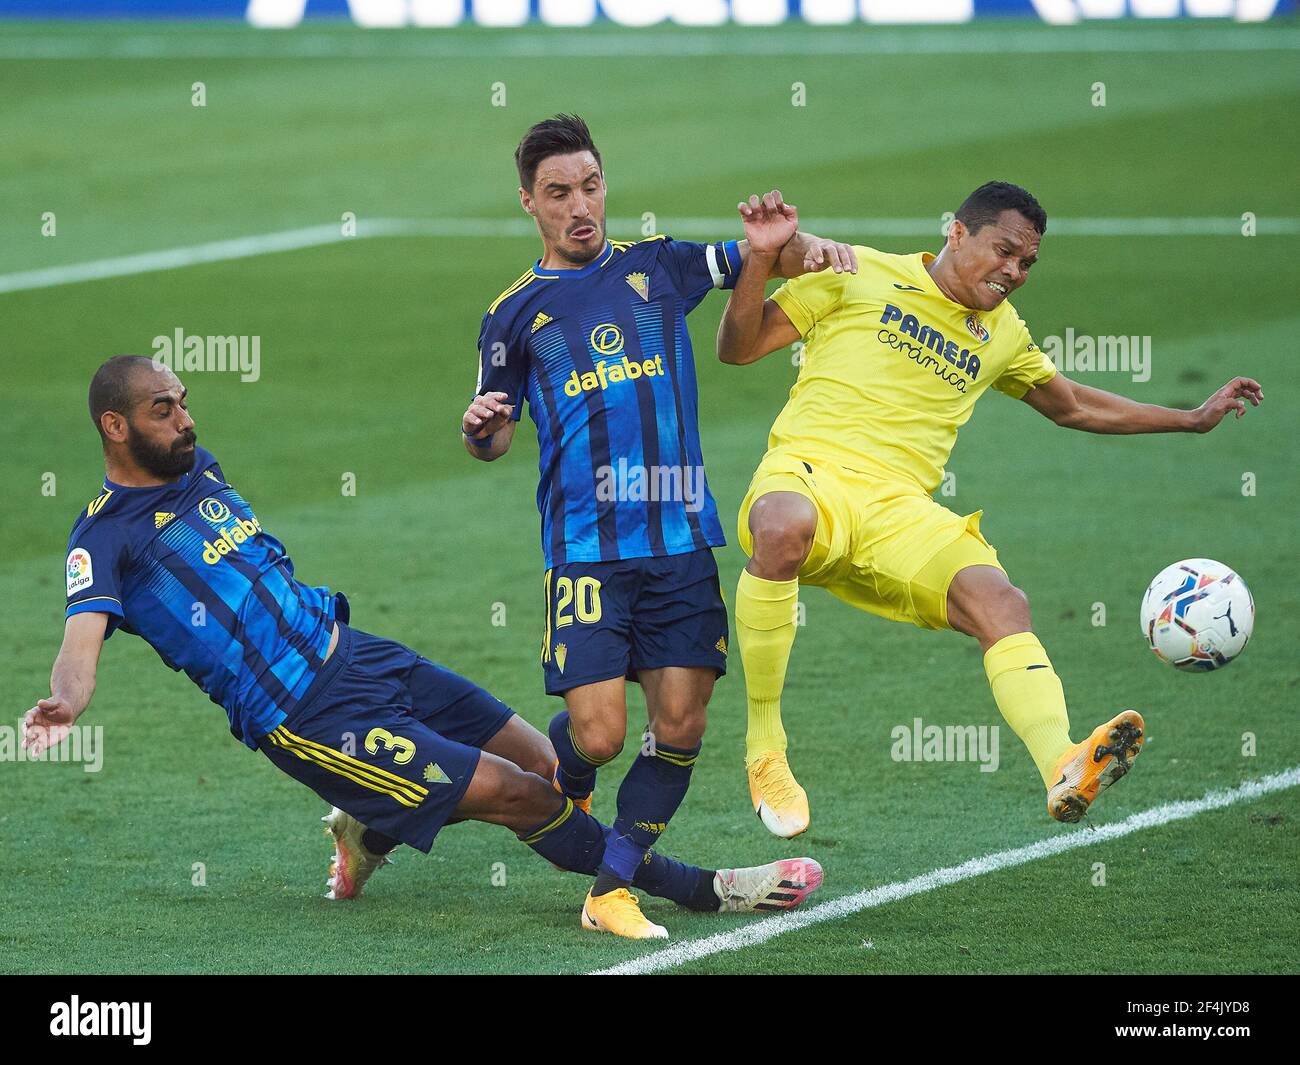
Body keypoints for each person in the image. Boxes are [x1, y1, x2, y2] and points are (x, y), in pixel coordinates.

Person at [24, 356, 824, 938]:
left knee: (552, 764)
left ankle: (372, 827)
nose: (185, 419)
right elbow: (80, 638)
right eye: (163, 409)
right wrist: (67, 698)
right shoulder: (106, 535)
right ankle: (702, 888)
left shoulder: (201, 471)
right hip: (308, 715)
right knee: (525, 796)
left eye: (184, 401)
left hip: (362, 654)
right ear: (115, 425)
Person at [717, 180, 1263, 837]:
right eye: (1004, 251)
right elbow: (738, 347)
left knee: (1002, 602)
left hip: (898, 510)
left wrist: (1189, 419)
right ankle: (765, 748)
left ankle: (1062, 762)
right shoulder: (857, 273)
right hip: (810, 475)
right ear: (956, 231)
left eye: (1027, 262)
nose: (1014, 271)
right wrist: (758, 259)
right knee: (782, 524)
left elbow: (1072, 404)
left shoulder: (1002, 335)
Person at [460, 114, 852, 936]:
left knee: (680, 724)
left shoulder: (659, 266)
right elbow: (493, 438)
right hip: (587, 550)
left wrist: (800, 239)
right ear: (528, 202)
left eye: (591, 186)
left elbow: (760, 251)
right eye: (559, 193)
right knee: (600, 737)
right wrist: (481, 424)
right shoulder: (515, 313)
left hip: (679, 541)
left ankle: (610, 888)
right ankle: (552, 777)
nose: (581, 206)